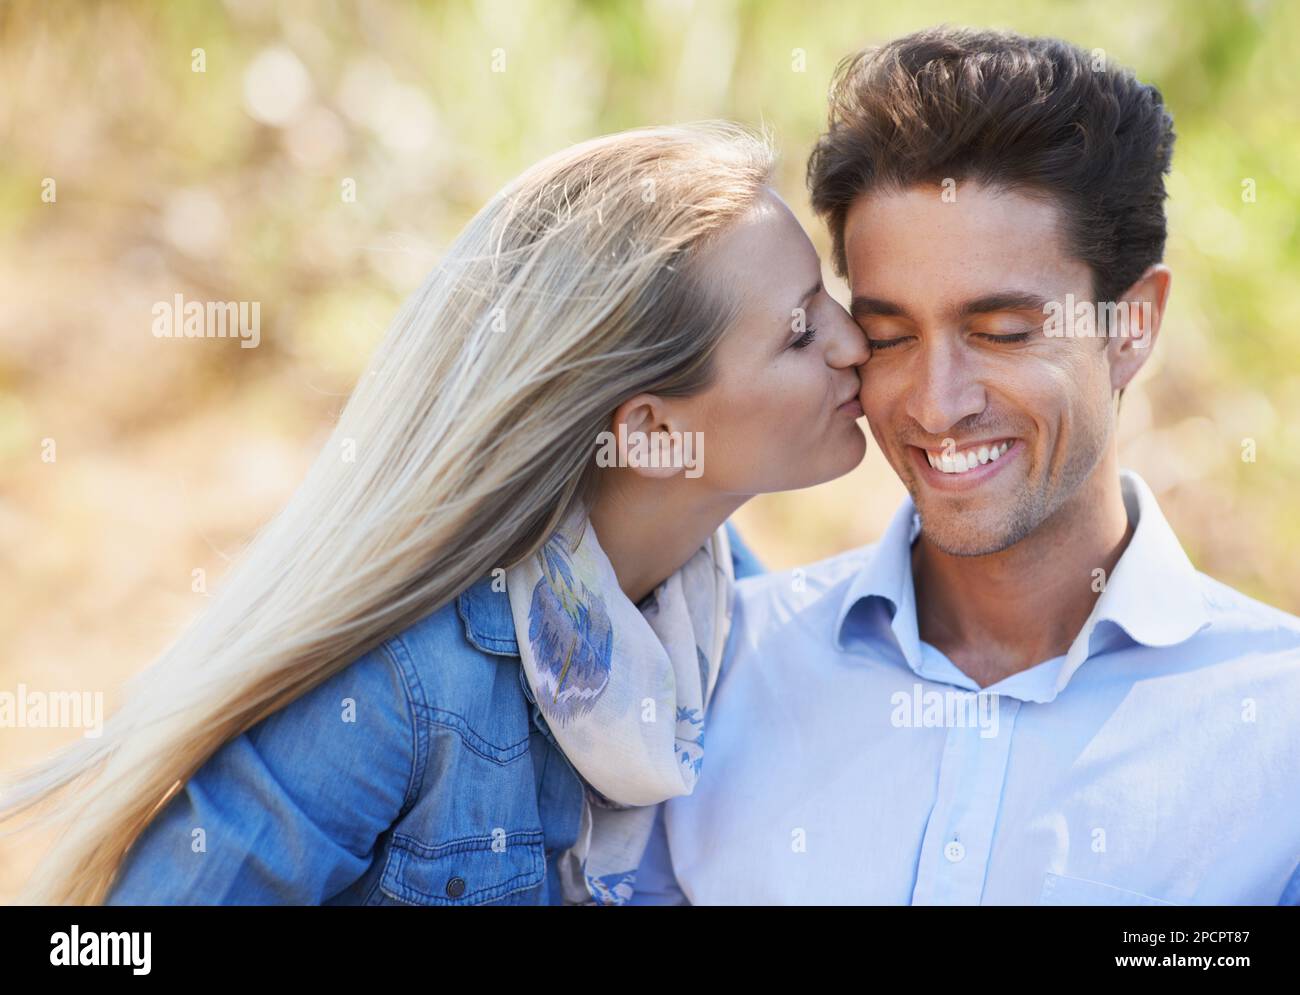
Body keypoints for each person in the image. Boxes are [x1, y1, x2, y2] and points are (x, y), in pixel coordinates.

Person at [0, 122, 872, 905]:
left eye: (825, 297)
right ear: (647, 432)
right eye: (799, 331)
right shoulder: (396, 687)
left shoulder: (724, 609)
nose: (852, 342)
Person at [631, 27, 1300, 905]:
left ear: (1131, 325)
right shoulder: (705, 675)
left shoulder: (1278, 730)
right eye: (890, 336)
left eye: (1003, 334)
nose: (938, 405)